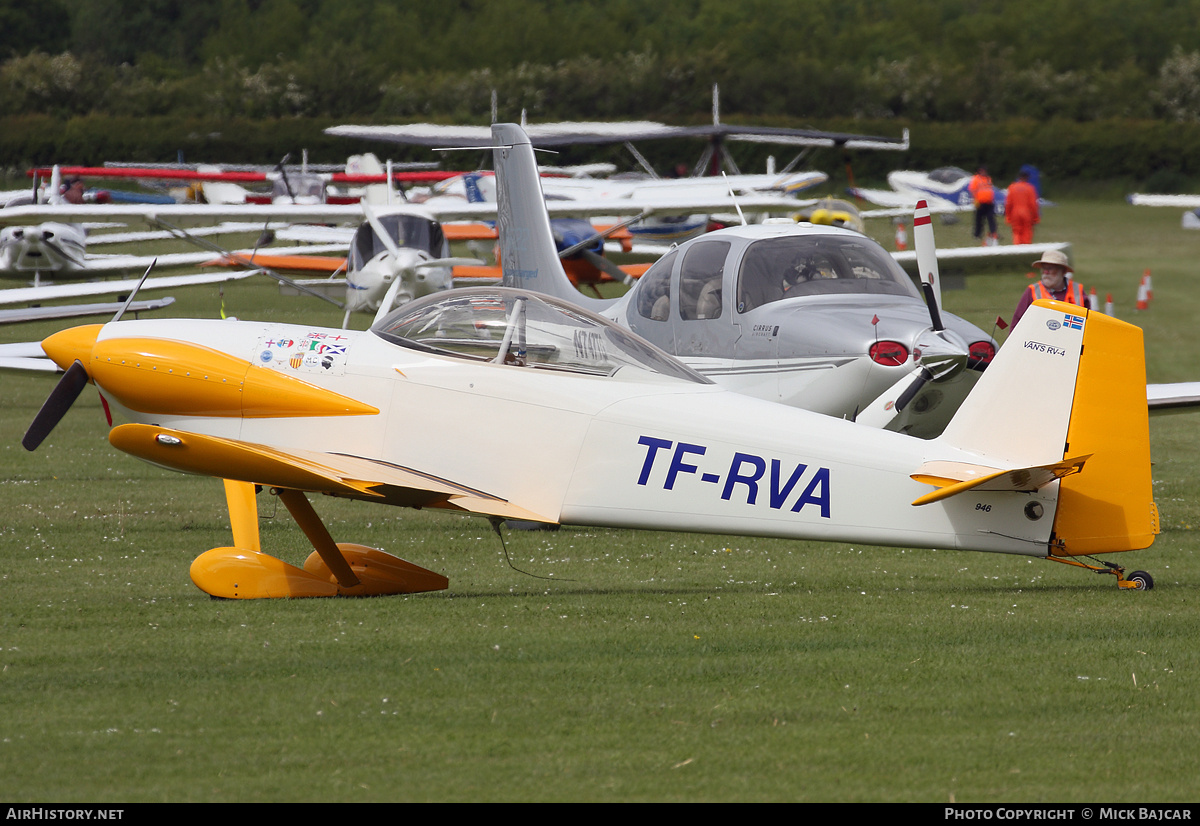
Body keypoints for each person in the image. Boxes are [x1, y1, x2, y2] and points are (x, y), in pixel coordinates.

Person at [1011, 249, 1085, 328]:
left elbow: (1088, 321)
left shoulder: (1078, 290)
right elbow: (1017, 322)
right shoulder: (1032, 290)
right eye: (1043, 268)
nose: (1045, 272)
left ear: (1063, 271)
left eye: (1050, 268)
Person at [1005, 170, 1040, 245]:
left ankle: (1017, 249)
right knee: (1027, 232)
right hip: (1026, 213)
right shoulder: (1030, 188)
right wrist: (1035, 217)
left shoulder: (1012, 187)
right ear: (1027, 178)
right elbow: (1033, 204)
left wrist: (1008, 216)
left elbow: (1008, 204)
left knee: (1016, 232)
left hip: (1015, 212)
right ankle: (1026, 250)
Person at [969, 166, 998, 246]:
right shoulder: (976, 179)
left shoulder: (988, 179)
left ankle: (993, 233)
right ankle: (977, 235)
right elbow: (973, 190)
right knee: (979, 220)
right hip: (980, 202)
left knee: (991, 219)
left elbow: (990, 189)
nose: (984, 172)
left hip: (989, 202)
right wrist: (975, 200)